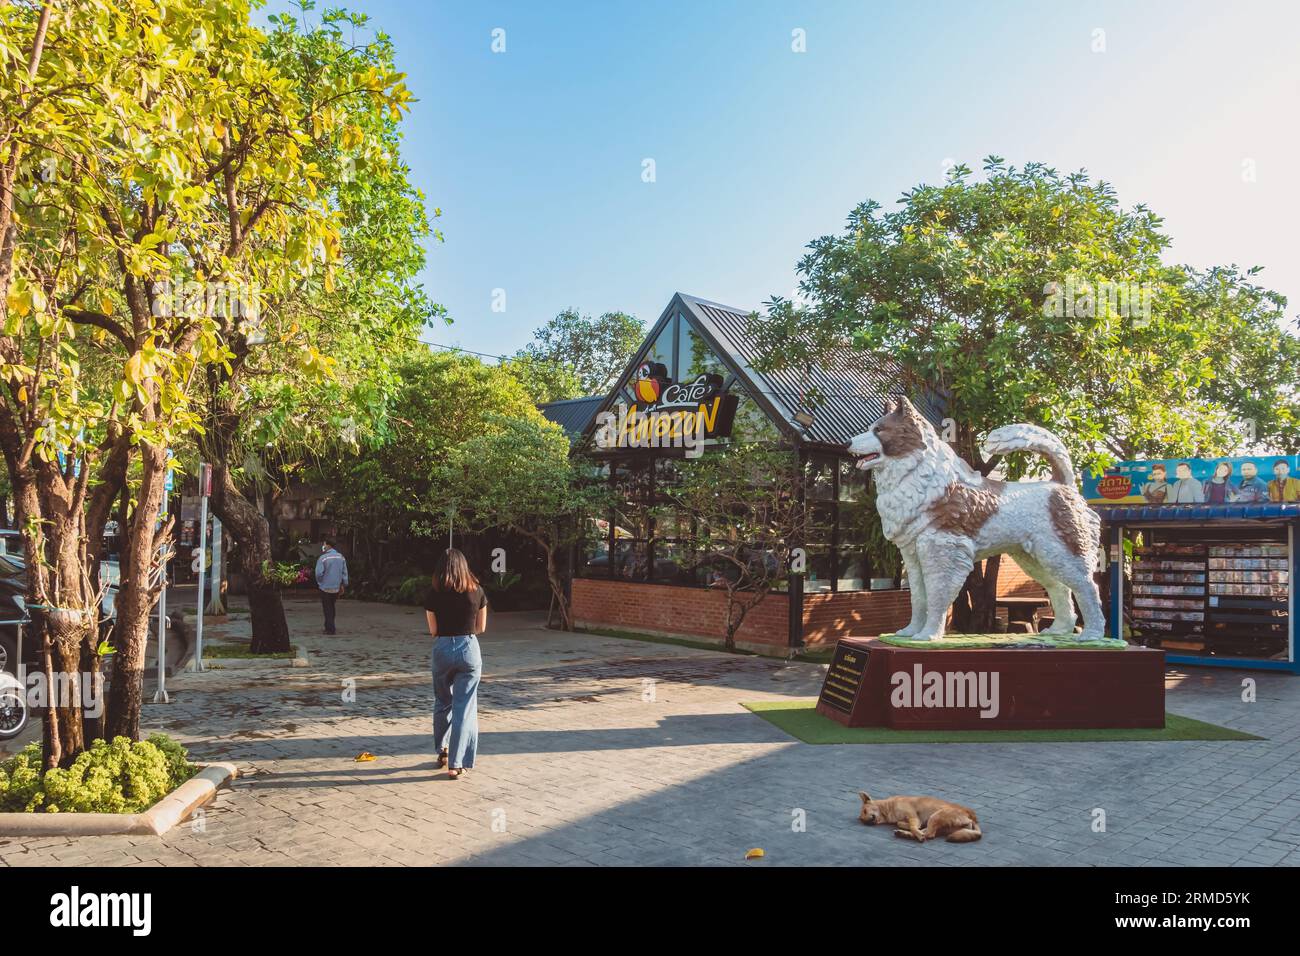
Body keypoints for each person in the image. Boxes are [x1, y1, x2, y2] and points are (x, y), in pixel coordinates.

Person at [424, 548, 488, 780]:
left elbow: (433, 631)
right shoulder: (477, 592)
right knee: (464, 707)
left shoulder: (433, 594)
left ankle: (442, 751)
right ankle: (456, 764)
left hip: (442, 649)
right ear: (464, 566)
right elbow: (481, 628)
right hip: (469, 649)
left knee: (442, 701)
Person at [314, 538, 348, 634]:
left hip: (325, 587)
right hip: (336, 587)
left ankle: (330, 629)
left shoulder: (323, 558)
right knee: (332, 607)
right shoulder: (341, 557)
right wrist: (343, 584)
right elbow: (344, 573)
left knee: (327, 608)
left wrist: (320, 582)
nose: (323, 546)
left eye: (324, 544)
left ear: (328, 545)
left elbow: (318, 574)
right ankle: (330, 626)